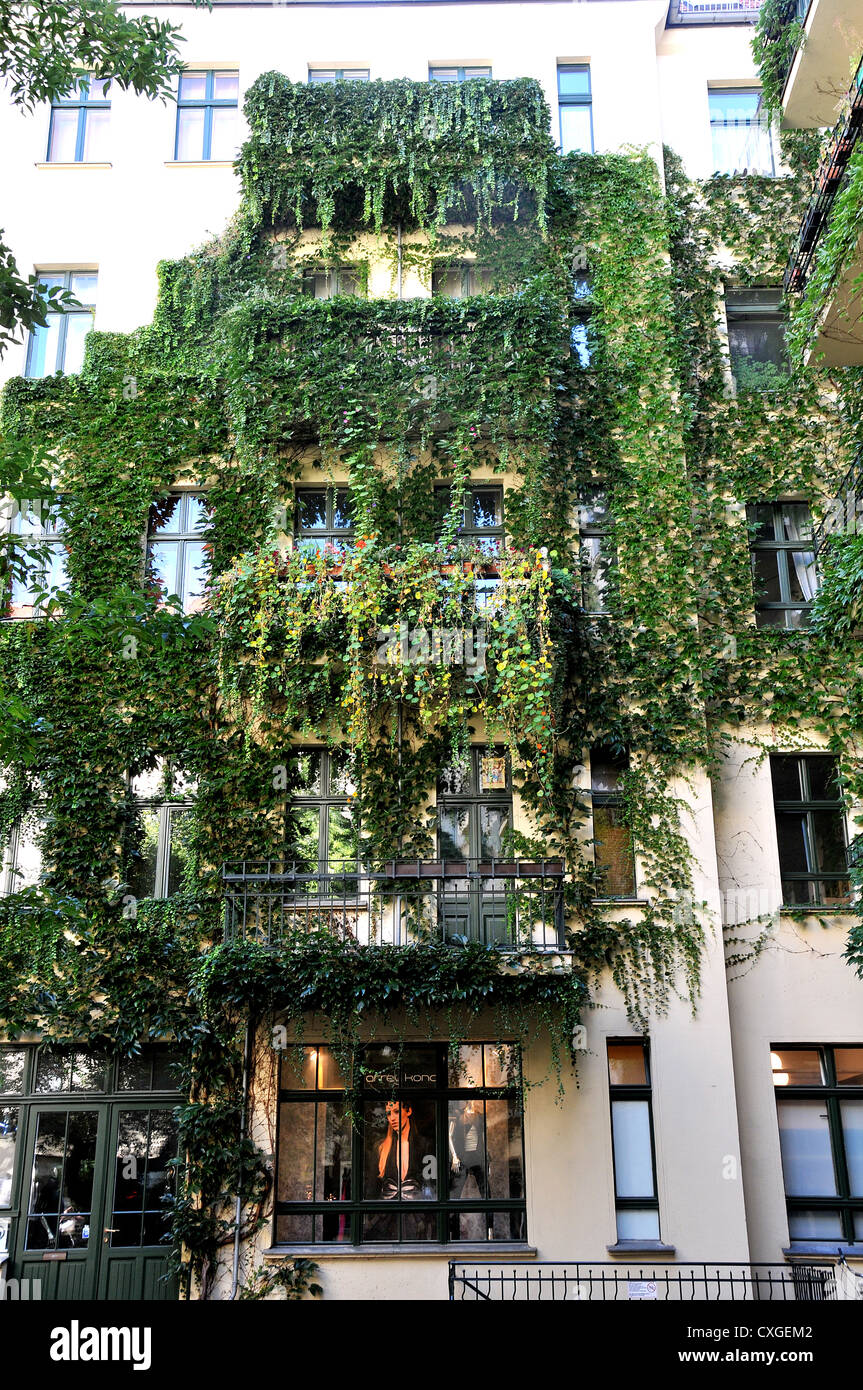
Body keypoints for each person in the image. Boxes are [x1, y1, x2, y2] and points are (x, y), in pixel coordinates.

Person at [377, 1100, 429, 1200]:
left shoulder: (424, 1144)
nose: (392, 1118)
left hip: (417, 1206)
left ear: (408, 1111)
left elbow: (431, 1182)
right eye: (388, 1114)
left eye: (397, 1112)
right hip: (388, 1207)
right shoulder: (381, 1147)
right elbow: (372, 1186)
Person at [449, 1098, 486, 1199]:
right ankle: (453, 1210)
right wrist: (454, 1156)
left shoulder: (479, 1116)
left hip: (477, 1156)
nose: (470, 1101)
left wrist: (486, 1158)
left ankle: (489, 1210)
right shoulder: (458, 1115)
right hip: (462, 1157)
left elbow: (484, 1139)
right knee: (456, 1190)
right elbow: (449, 1136)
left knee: (484, 1189)